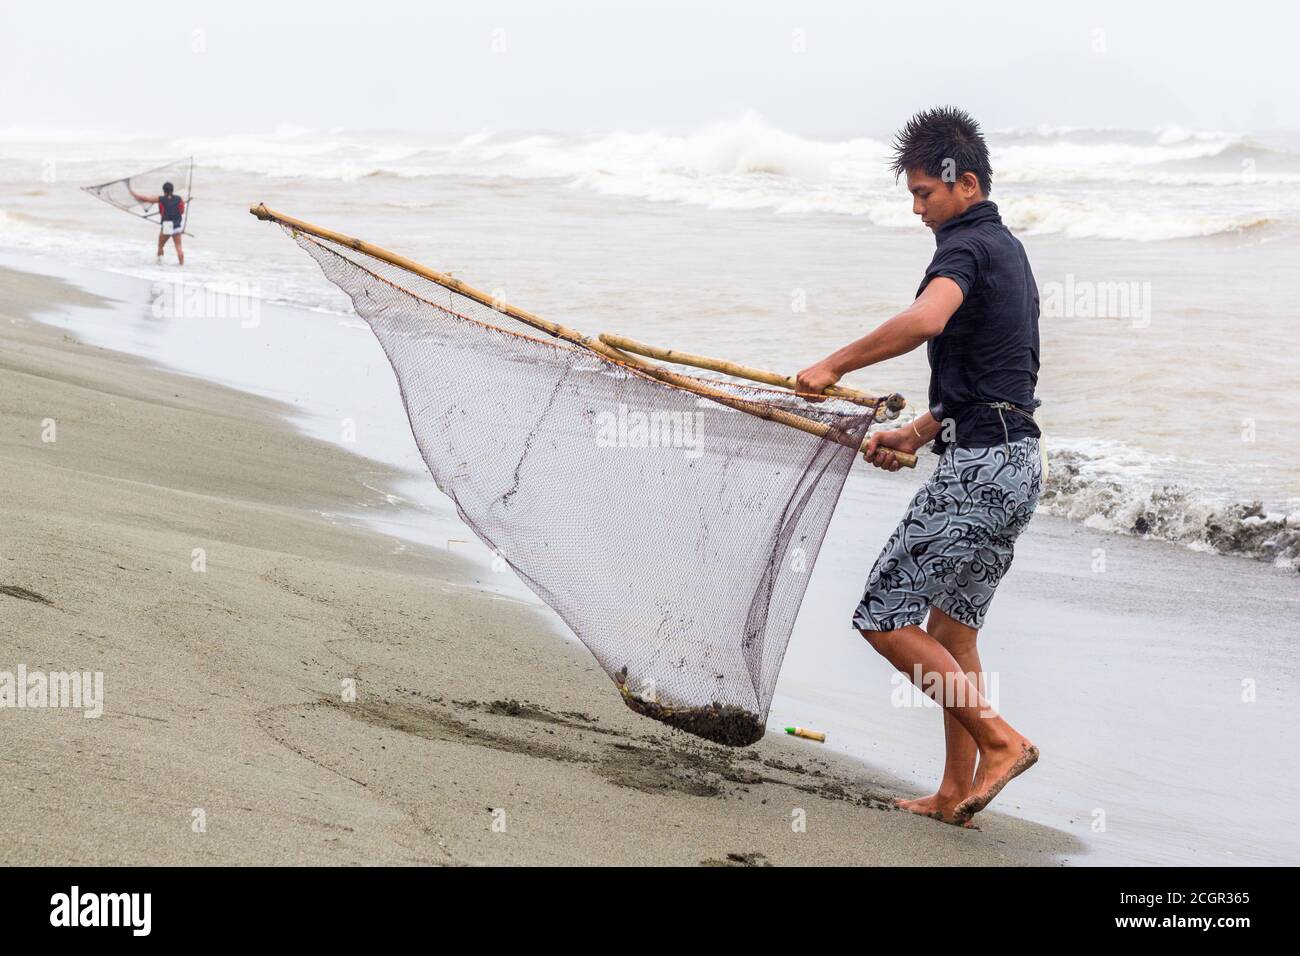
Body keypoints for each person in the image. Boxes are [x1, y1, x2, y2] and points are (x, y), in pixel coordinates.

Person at [796, 106, 1042, 827]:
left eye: (923, 195)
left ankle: (1000, 742)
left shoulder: (963, 249)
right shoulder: (1008, 250)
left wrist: (834, 362)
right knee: (954, 633)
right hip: (1016, 461)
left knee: (882, 613)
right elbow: (1002, 380)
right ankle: (954, 792)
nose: (916, 209)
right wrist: (916, 431)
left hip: (980, 471)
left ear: (965, 184)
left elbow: (926, 320)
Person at [131, 181, 185, 265]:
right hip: (177, 225)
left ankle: (160, 264)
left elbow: (147, 199)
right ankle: (181, 265)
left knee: (160, 246)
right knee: (178, 247)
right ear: (172, 190)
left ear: (164, 191)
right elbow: (182, 211)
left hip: (167, 225)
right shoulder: (179, 198)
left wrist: (135, 195)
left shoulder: (162, 199)